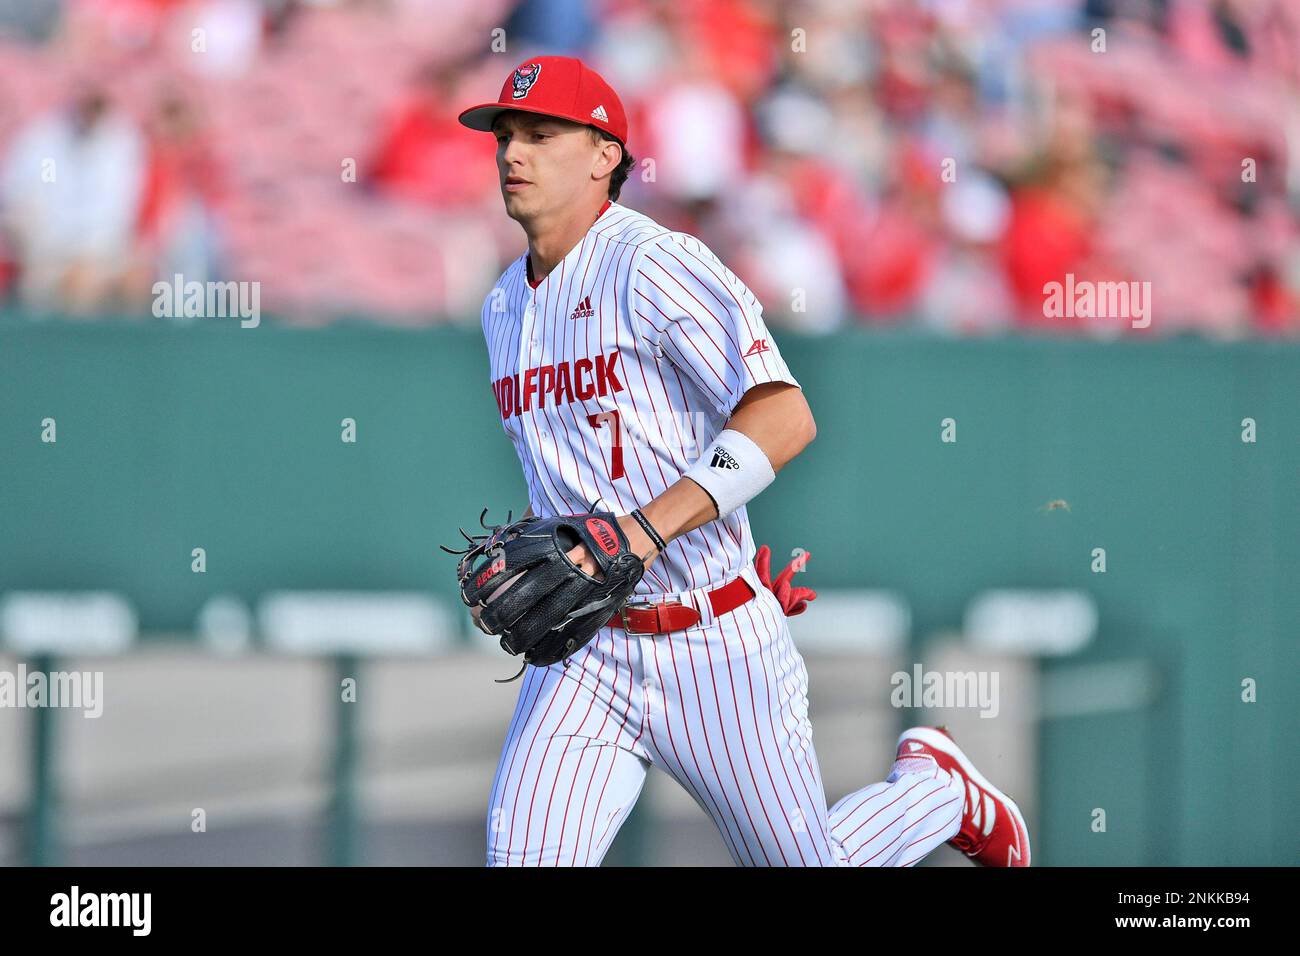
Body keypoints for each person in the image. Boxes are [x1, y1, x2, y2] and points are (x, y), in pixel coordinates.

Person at [458, 55, 1030, 867]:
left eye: (540, 135)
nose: (512, 154)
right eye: (504, 135)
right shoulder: (502, 303)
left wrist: (659, 534)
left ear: (603, 154)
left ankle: (937, 792)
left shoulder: (654, 264)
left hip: (712, 641)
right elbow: (586, 468)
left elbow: (784, 415)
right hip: (585, 647)